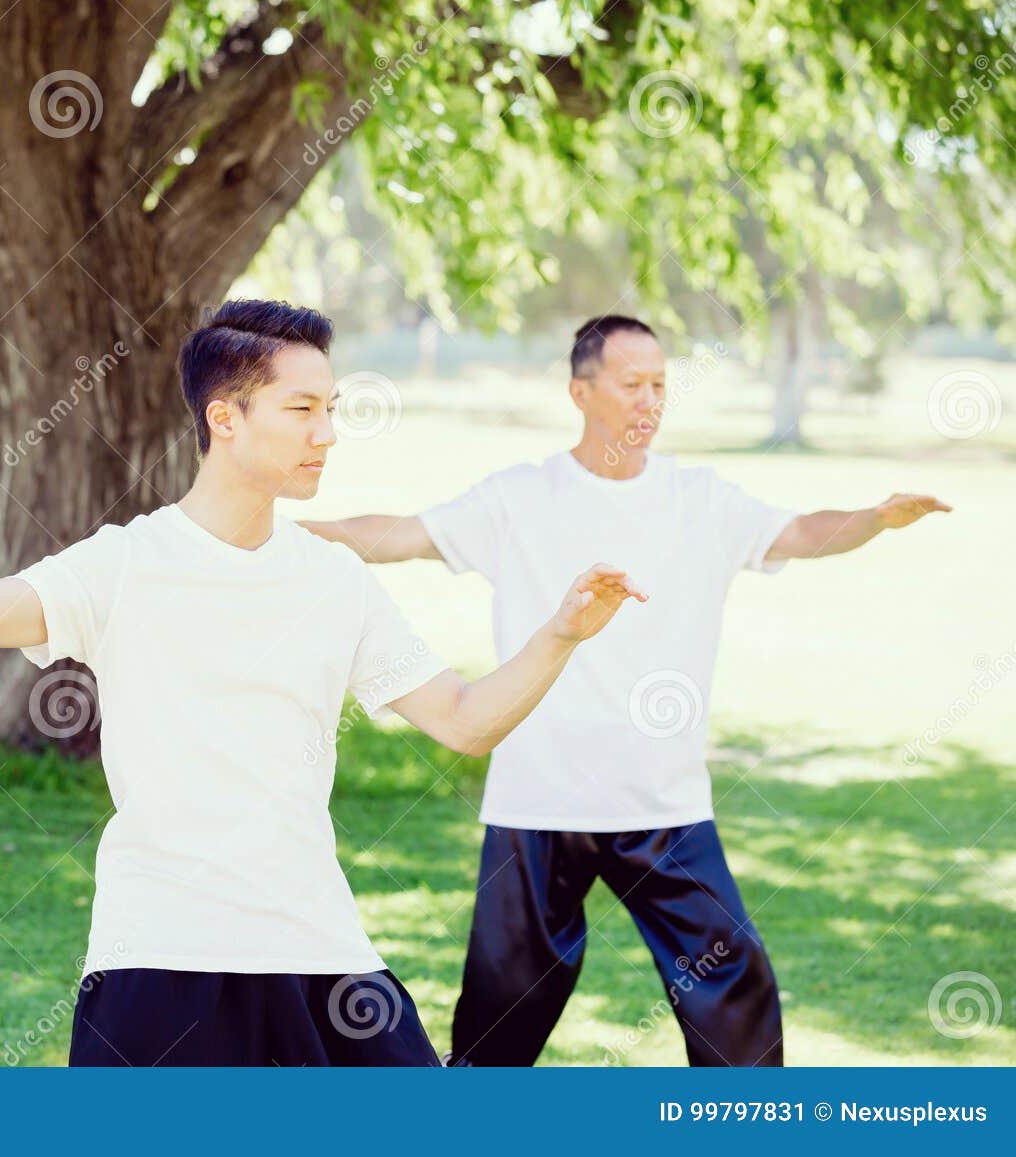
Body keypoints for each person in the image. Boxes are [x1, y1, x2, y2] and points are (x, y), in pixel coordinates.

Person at [0, 300, 645, 1067]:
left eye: (331, 407)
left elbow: (466, 721)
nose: (328, 432)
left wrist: (560, 634)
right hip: (162, 953)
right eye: (302, 407)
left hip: (315, 946)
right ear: (225, 418)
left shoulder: (335, 579)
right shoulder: (125, 563)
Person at [302, 315, 951, 1067]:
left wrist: (875, 518)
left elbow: (803, 532)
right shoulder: (521, 496)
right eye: (632, 384)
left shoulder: (699, 498)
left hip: (663, 806)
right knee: (498, 1018)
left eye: (660, 386)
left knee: (737, 999)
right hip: (537, 803)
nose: (650, 402)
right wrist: (288, 533)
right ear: (581, 391)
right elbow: (400, 535)